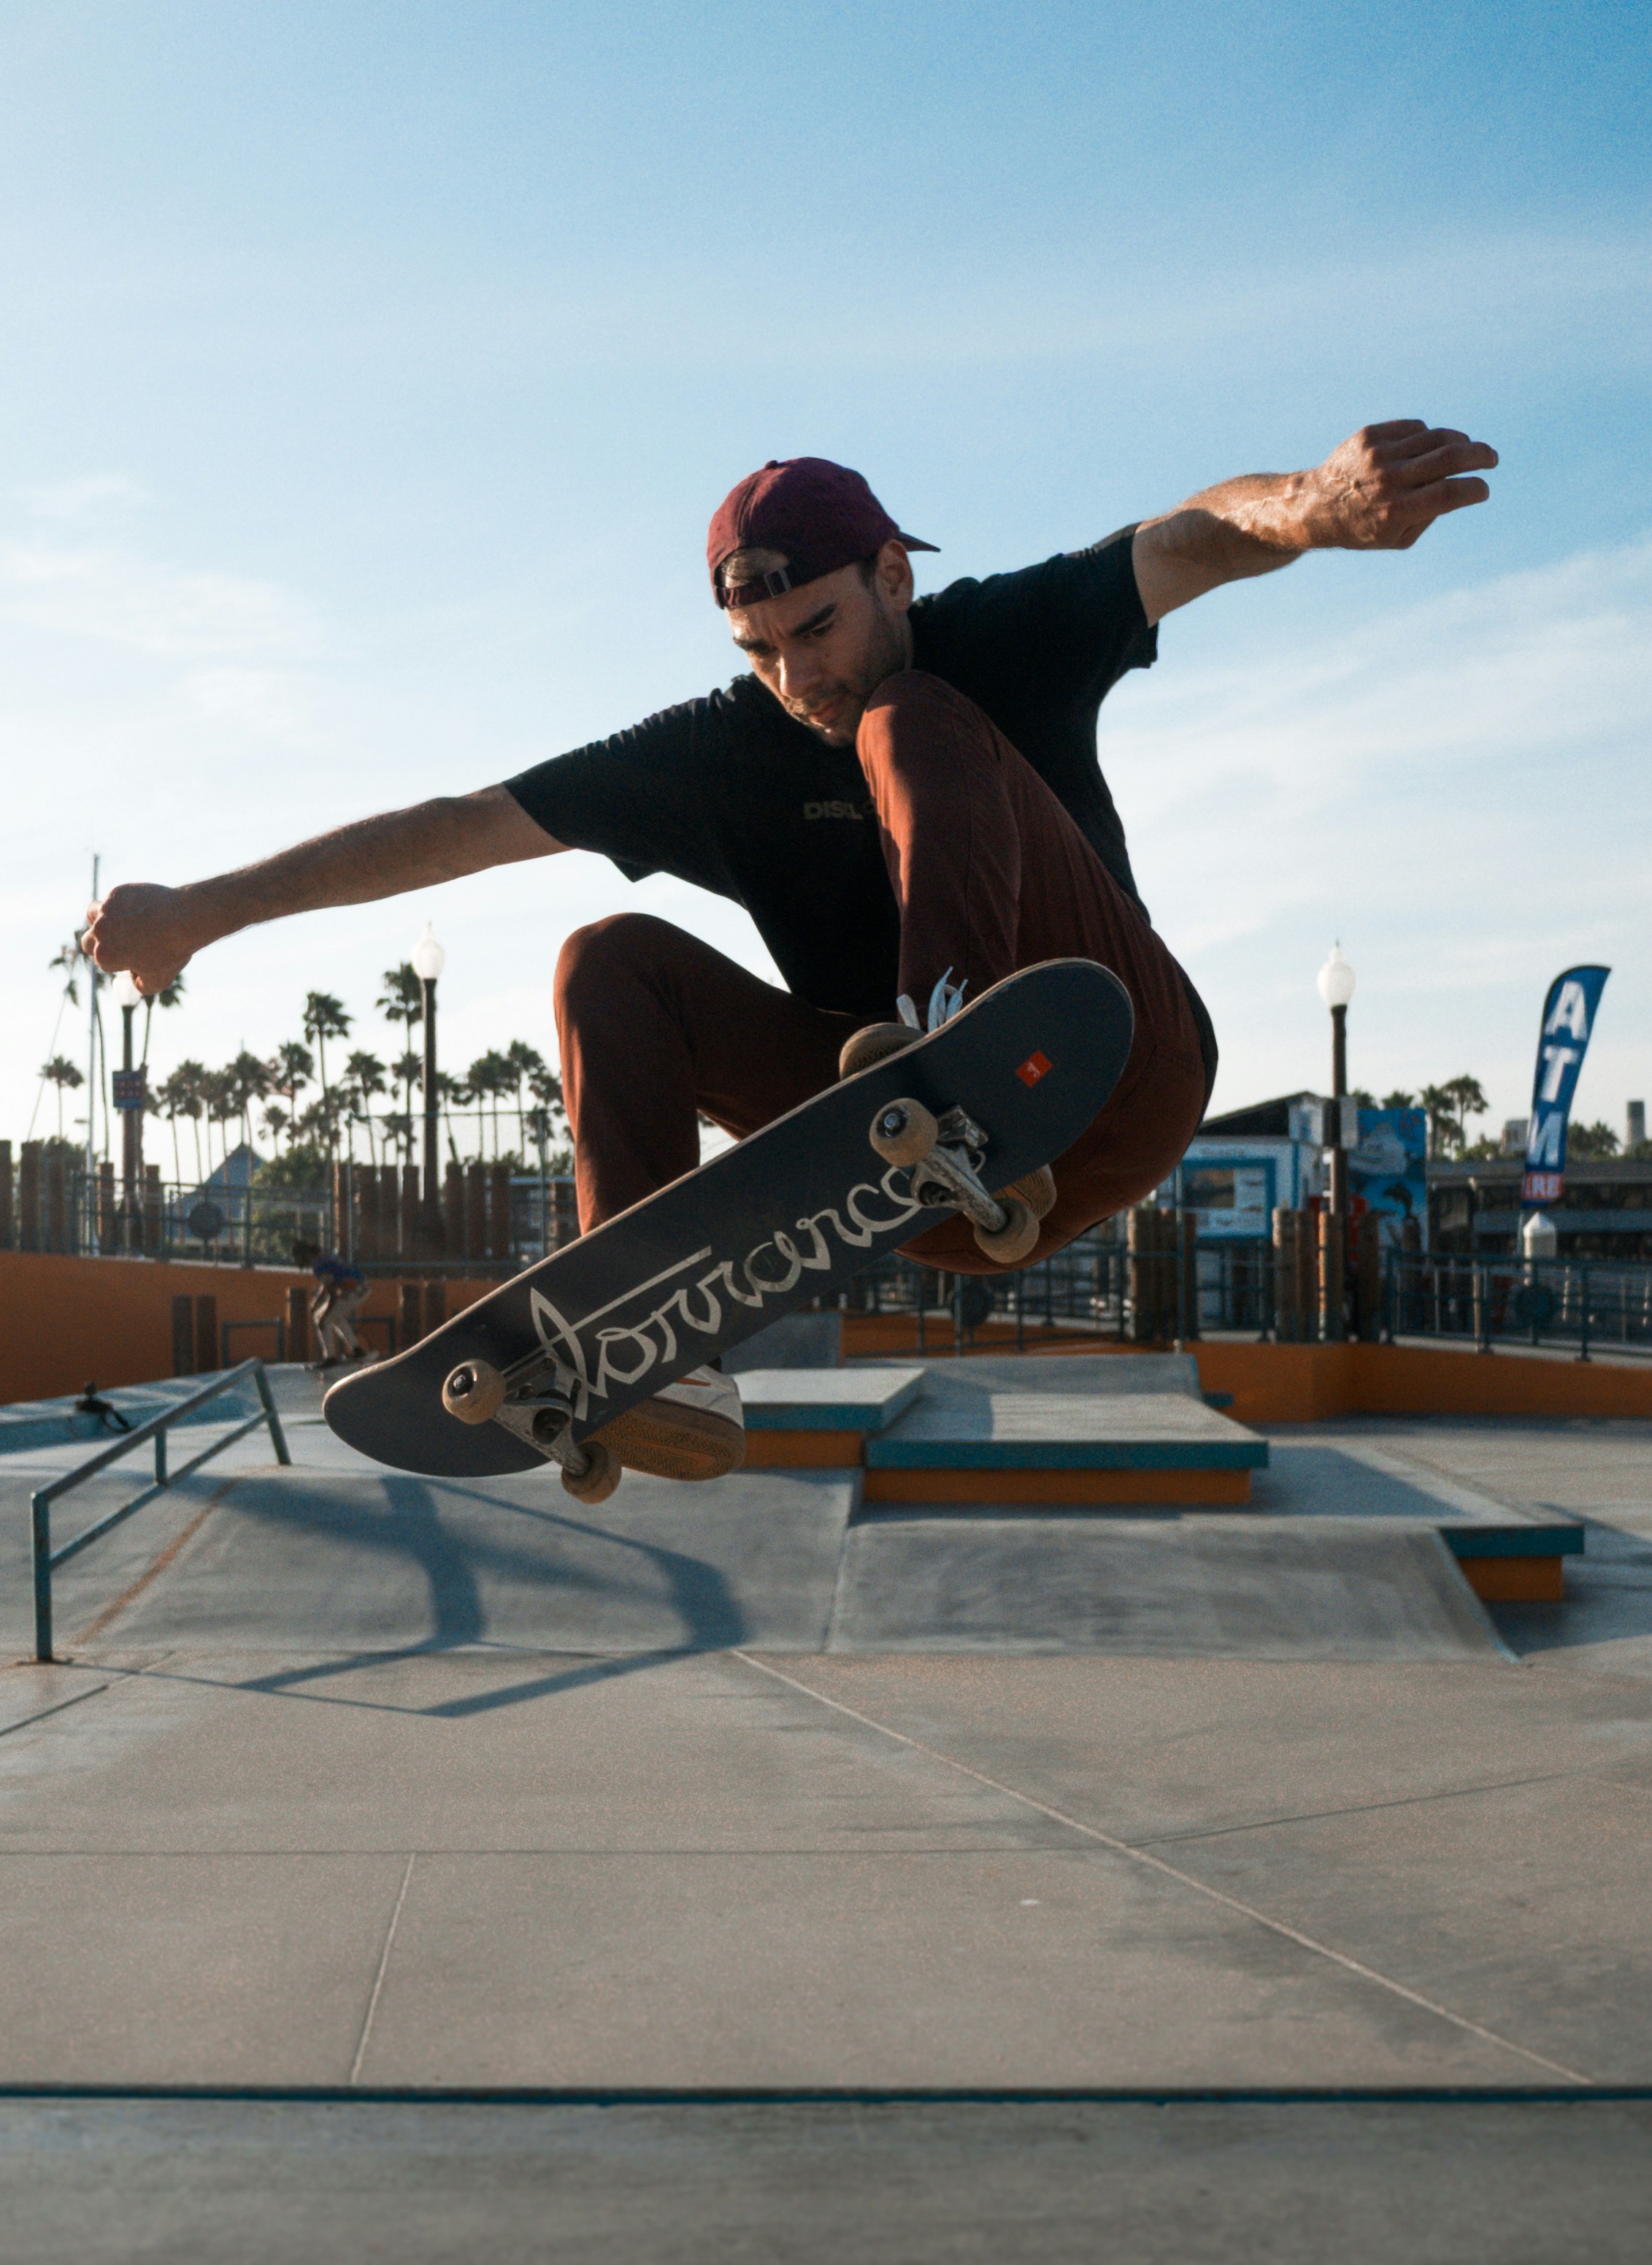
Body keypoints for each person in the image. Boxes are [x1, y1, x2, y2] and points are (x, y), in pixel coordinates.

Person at [92, 421, 1499, 1477]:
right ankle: (646, 1343)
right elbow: (461, 824)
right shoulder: (722, 750)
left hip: (1105, 1069)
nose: (797, 678)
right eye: (762, 647)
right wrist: (203, 908)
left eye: (817, 627)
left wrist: (1315, 507)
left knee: (913, 720)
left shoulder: (991, 636)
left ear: (892, 574)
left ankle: (949, 1044)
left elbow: (1191, 536)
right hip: (916, 1183)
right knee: (606, 958)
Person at [288, 1233, 367, 1370]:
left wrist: (325, 1313)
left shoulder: (319, 1265)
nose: (297, 1261)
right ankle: (357, 1350)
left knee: (324, 1320)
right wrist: (316, 1302)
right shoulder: (323, 1257)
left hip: (355, 1290)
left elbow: (332, 1293)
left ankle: (330, 1358)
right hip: (360, 1288)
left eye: (297, 1258)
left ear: (304, 1255)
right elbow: (328, 1284)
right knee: (331, 1317)